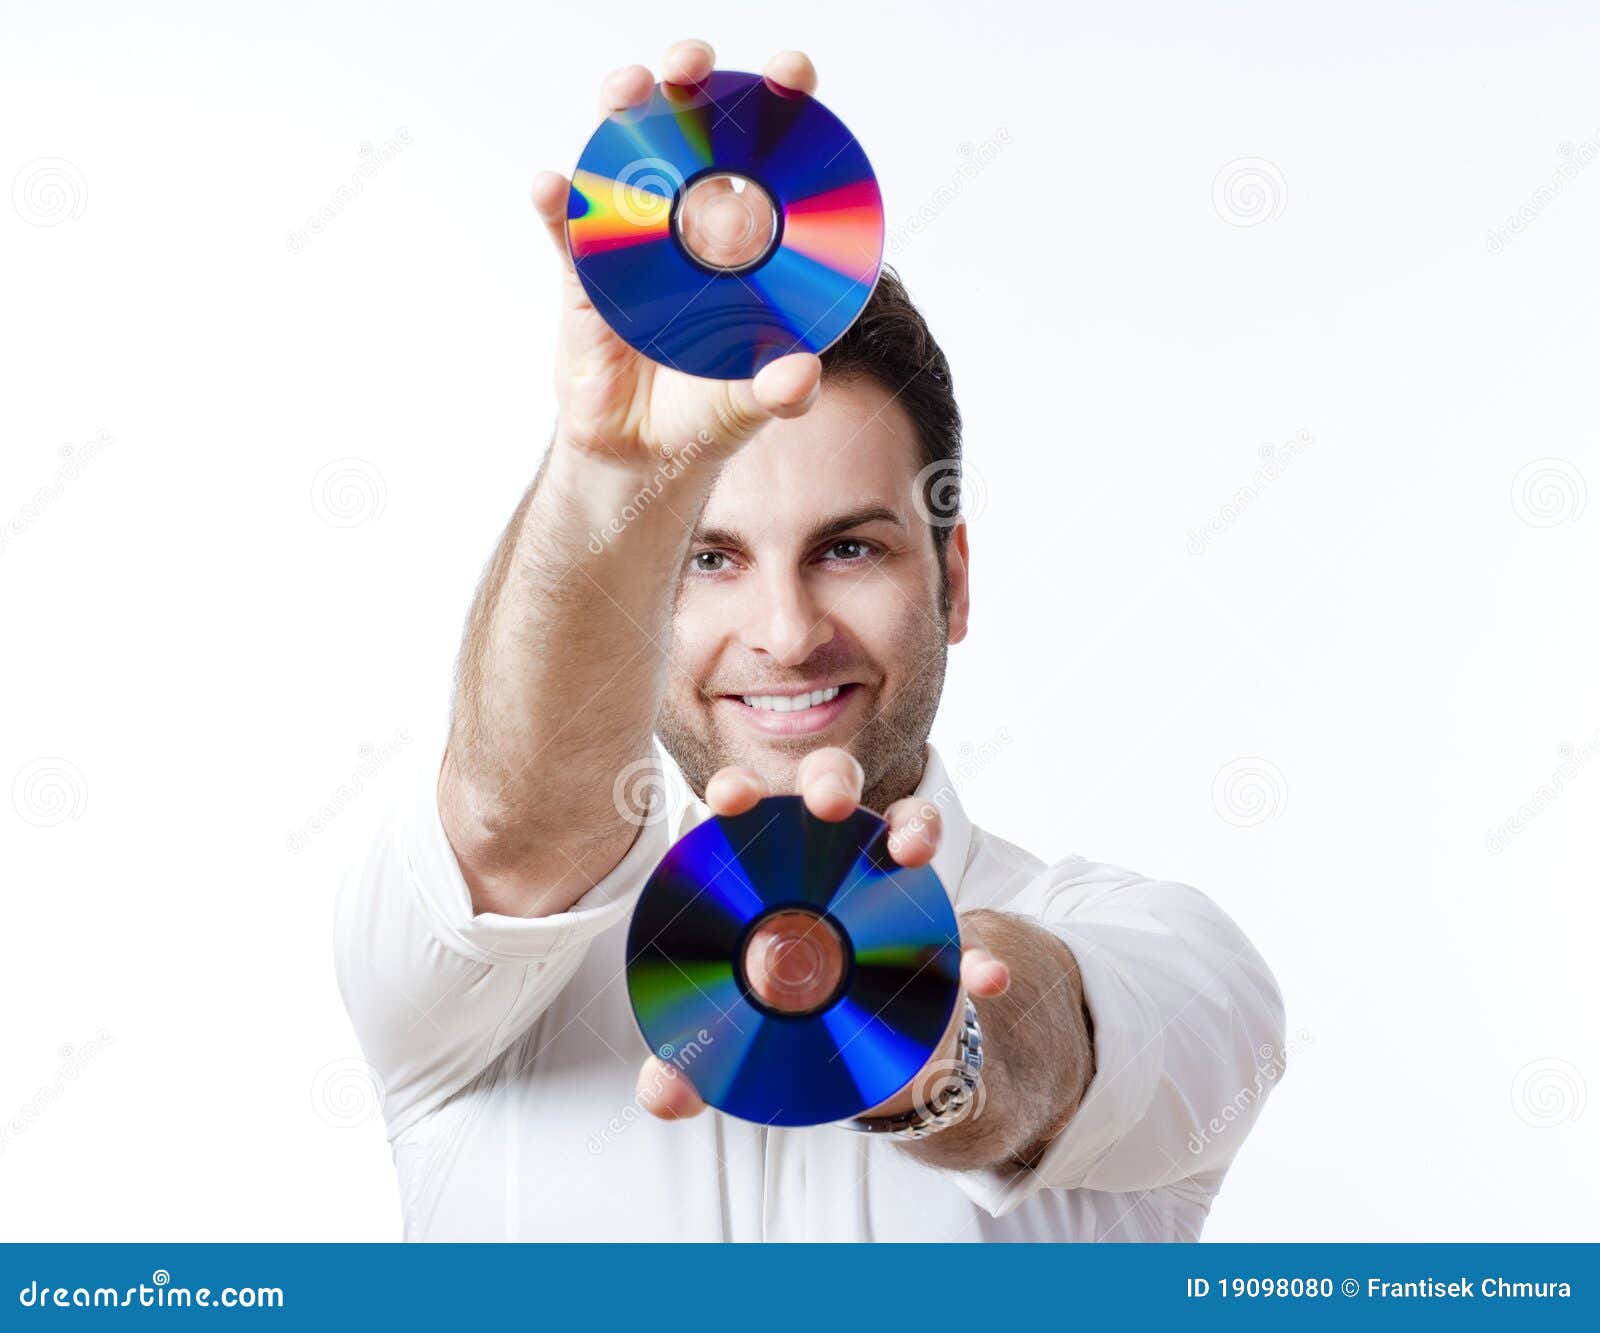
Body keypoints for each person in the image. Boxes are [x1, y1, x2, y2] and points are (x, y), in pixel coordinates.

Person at [334, 37, 1285, 1242]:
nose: (784, 635)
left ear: (951, 578)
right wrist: (607, 474)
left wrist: (912, 1016)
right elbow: (521, 830)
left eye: (849, 549)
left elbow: (1050, 1050)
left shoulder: (1166, 952)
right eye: (706, 558)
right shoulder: (459, 985)